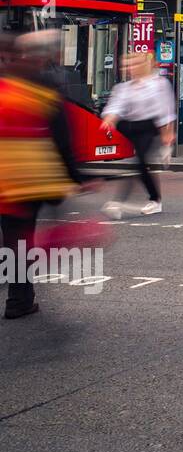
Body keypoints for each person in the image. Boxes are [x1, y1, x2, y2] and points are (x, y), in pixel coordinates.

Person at [0, 31, 85, 319]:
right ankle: (19, 298)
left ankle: (18, 295)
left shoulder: (8, 83)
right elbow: (62, 139)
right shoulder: (44, 86)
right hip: (29, 179)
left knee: (14, 238)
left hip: (11, 178)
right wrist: (75, 177)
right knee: (20, 239)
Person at [99, 51, 176, 217]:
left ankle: (143, 201)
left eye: (134, 64)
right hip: (128, 127)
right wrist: (109, 119)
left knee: (140, 162)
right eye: (127, 66)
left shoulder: (159, 84)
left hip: (149, 127)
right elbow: (115, 107)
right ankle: (152, 199)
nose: (130, 69)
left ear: (144, 65)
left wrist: (167, 137)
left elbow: (165, 111)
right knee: (139, 165)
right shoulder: (123, 88)